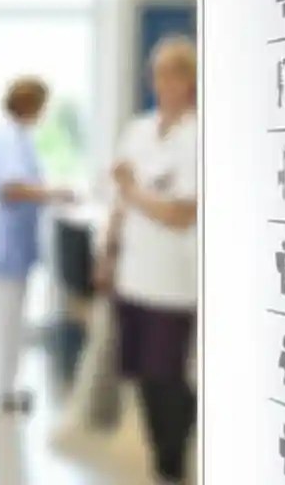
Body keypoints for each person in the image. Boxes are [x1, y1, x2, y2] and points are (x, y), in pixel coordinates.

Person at [95, 36, 199, 485]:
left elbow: (179, 214)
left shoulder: (199, 137)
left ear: (188, 81)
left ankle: (170, 465)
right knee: (142, 376)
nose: (160, 83)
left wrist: (135, 191)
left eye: (170, 74)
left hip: (173, 282)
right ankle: (163, 460)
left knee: (168, 378)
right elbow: (119, 199)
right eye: (155, 73)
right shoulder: (138, 129)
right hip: (133, 278)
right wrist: (108, 253)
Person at [0, 77, 75, 413]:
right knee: (6, 324)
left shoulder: (18, 138)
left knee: (10, 323)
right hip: (7, 248)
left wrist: (47, 192)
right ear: (28, 105)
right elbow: (11, 187)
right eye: (41, 105)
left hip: (14, 247)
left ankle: (7, 390)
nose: (44, 112)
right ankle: (3, 393)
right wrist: (53, 193)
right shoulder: (9, 138)